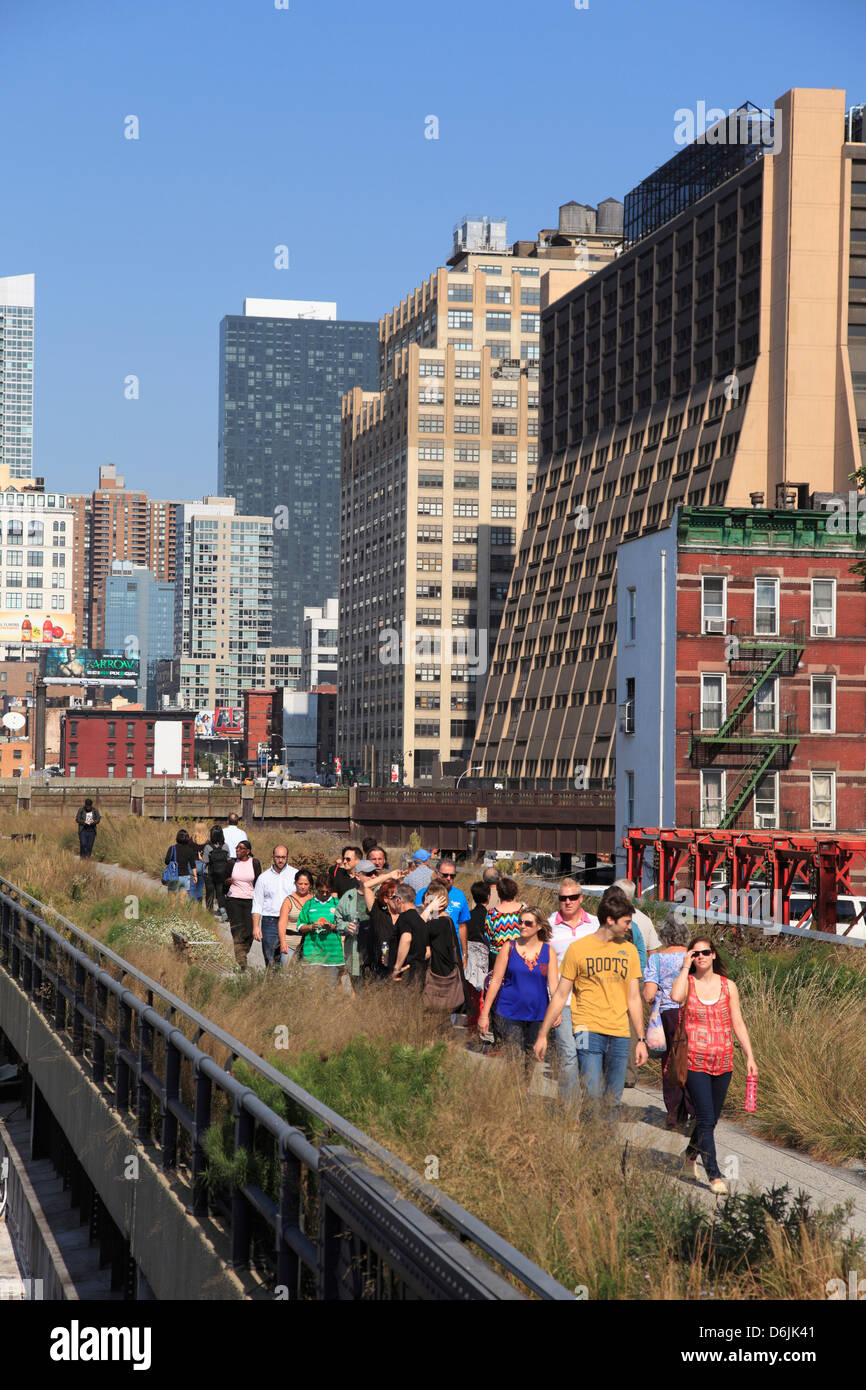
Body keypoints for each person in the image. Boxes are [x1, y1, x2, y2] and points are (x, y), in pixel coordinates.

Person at [534, 885, 647, 1105]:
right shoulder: (579, 949)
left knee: (613, 1099)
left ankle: (603, 1140)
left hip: (620, 1033)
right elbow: (560, 995)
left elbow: (634, 998)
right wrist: (542, 1034)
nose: (629, 927)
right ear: (610, 920)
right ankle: (588, 1137)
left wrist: (641, 1039)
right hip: (587, 1029)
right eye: (626, 922)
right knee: (593, 1092)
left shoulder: (630, 951)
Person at [671, 936, 757, 1195]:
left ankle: (689, 1157)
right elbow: (675, 997)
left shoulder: (728, 986)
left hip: (723, 1060)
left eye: (705, 952)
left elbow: (738, 1022)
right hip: (694, 1060)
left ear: (714, 955)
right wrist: (684, 968)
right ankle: (715, 1175)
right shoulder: (686, 983)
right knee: (706, 1117)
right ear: (690, 958)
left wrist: (750, 1055)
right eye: (695, 954)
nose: (701, 957)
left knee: (710, 1119)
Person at [479, 908, 560, 1069]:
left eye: (528, 923)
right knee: (514, 1058)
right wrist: (484, 1013)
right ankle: (514, 1092)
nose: (522, 926)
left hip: (537, 1013)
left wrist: (556, 1011)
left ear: (539, 926)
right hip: (509, 1011)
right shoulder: (508, 947)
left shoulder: (548, 951)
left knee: (530, 1059)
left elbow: (553, 985)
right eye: (520, 922)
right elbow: (495, 981)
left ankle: (523, 1093)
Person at [643, 914, 696, 1131]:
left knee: (670, 1064)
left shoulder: (656, 959)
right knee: (690, 1061)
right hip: (692, 1013)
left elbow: (648, 994)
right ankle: (694, 1111)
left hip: (667, 1015)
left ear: (663, 935)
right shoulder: (693, 957)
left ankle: (675, 1116)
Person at [547, 879, 599, 1093]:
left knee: (586, 1054)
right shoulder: (550, 927)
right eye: (563, 898)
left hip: (589, 1005)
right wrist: (552, 1005)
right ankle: (566, 1112)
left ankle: (588, 1109)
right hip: (564, 1003)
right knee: (568, 1055)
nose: (567, 902)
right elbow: (546, 969)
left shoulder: (595, 925)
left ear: (581, 898)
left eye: (572, 898)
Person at [392, 885, 459, 989]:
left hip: (439, 976)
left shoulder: (439, 923)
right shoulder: (444, 920)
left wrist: (430, 909)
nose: (424, 904)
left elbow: (417, 928)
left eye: (427, 900)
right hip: (443, 973)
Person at [414, 859, 470, 963]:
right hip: (430, 949)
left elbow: (462, 925)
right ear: (436, 873)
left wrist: (464, 953)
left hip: (452, 950)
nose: (449, 878)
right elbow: (420, 922)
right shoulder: (424, 893)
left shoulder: (460, 895)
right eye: (445, 875)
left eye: (452, 876)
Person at [296, 874, 347, 987]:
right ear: (316, 889)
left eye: (327, 892)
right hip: (312, 954)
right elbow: (300, 926)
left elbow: (346, 925)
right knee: (311, 990)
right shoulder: (309, 904)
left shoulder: (338, 903)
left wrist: (333, 927)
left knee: (331, 991)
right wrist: (310, 927)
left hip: (333, 955)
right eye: (321, 891)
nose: (324, 894)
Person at [252, 845, 297, 970]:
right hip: (270, 921)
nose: (280, 860)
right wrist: (256, 926)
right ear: (273, 857)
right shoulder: (263, 878)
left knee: (288, 960)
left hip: (290, 921)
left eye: (283, 857)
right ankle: (271, 985)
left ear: (287, 857)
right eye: (278, 857)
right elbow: (257, 903)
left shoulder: (295, 875)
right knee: (270, 959)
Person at [224, 840, 262, 969]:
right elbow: (223, 881)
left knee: (250, 930)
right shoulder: (232, 863)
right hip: (233, 899)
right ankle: (241, 960)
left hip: (250, 900)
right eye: (237, 848)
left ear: (248, 851)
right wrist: (227, 882)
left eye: (241, 848)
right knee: (237, 930)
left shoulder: (255, 863)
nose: (237, 850)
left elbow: (258, 882)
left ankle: (243, 952)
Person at [464, 881, 493, 1028]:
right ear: (488, 897)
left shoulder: (467, 916)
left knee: (471, 994)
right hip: (484, 959)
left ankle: (471, 1025)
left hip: (469, 958)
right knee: (482, 994)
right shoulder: (489, 917)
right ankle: (481, 1025)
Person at [277, 868, 315, 964]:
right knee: (287, 975)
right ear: (295, 883)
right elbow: (282, 923)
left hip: (309, 944)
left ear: (310, 885)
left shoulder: (314, 901)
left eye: (306, 884)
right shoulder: (288, 901)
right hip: (289, 943)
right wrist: (283, 942)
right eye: (300, 884)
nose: (303, 887)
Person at [483, 877, 525, 959]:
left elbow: (487, 937)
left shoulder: (492, 913)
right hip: (521, 954)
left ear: (499, 893)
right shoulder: (525, 909)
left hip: (498, 956)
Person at [201, 826, 230, 918]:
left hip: (209, 873)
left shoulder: (208, 847)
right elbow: (228, 859)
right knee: (220, 893)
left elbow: (205, 861)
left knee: (210, 893)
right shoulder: (225, 846)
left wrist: (200, 857)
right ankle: (223, 912)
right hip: (222, 873)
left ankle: (209, 913)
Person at [164, 828, 199, 902]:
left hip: (173, 876)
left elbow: (166, 861)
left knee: (172, 901)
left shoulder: (172, 848)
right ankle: (181, 913)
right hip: (185, 877)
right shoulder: (190, 850)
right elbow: (193, 865)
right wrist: (195, 876)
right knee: (182, 900)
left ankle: (172, 913)